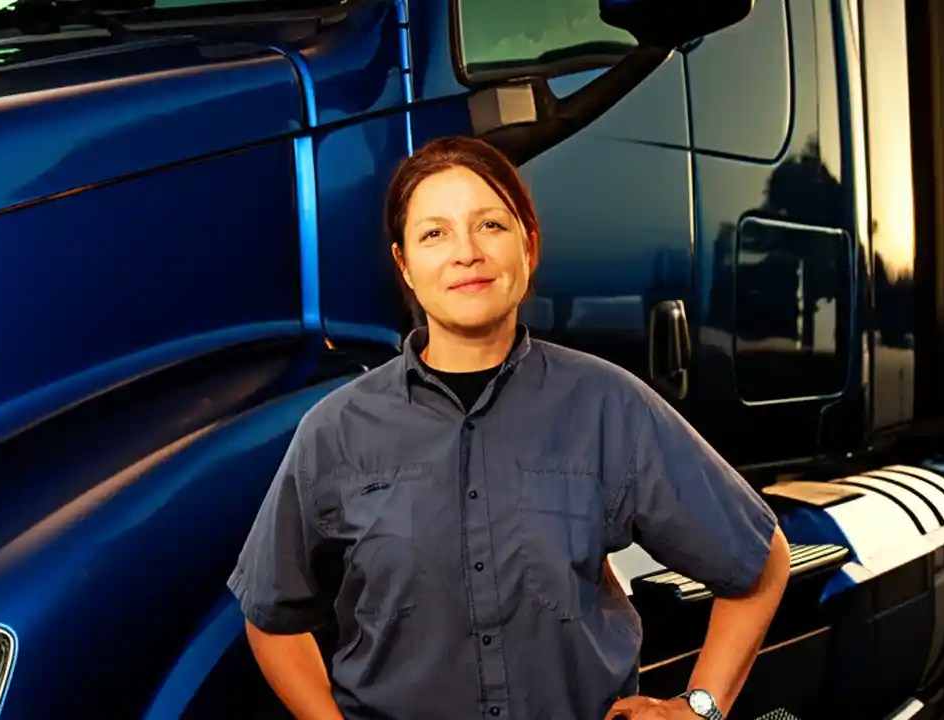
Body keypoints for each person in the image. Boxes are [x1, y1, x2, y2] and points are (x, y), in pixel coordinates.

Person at [227, 135, 790, 720]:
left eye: (490, 225)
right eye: (434, 233)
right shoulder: (336, 431)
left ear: (530, 245)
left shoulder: (608, 404)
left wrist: (699, 707)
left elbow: (759, 558)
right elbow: (272, 617)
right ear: (405, 266)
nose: (466, 252)